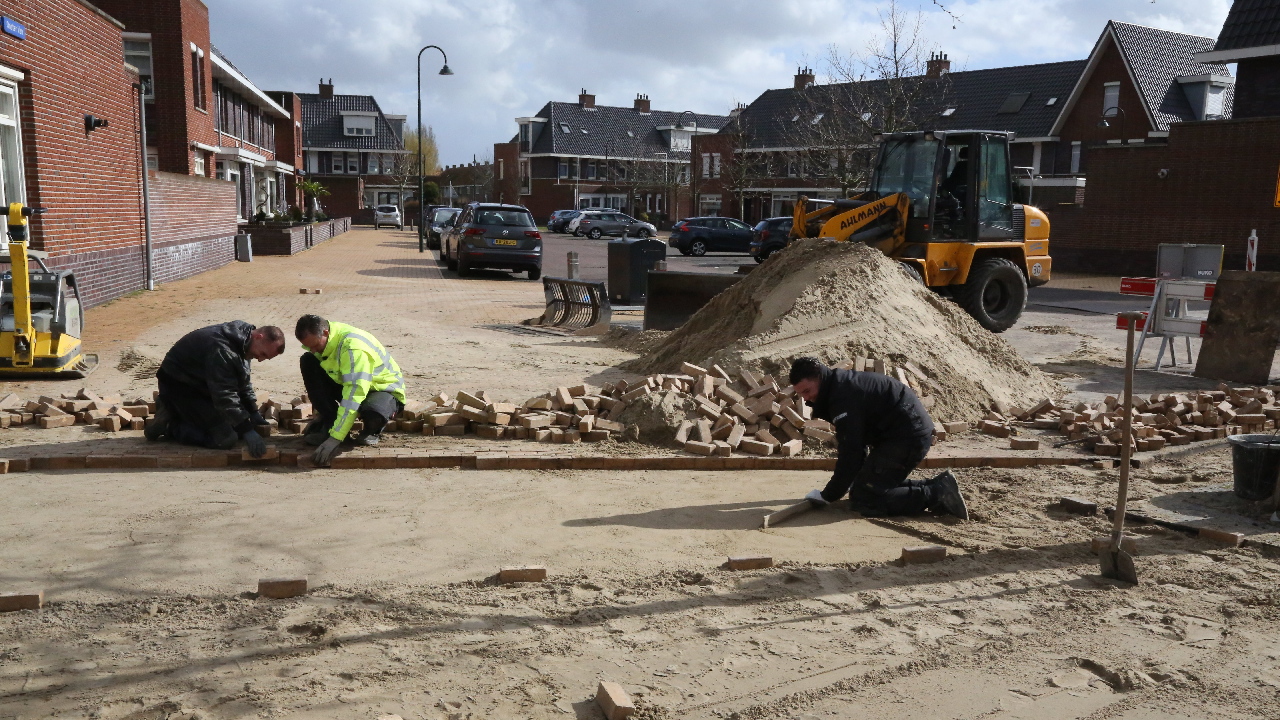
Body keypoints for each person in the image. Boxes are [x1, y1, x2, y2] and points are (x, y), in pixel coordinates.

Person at [789, 357, 967, 519]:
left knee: (865, 498)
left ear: (820, 377)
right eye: (801, 394)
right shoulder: (838, 385)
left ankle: (936, 494)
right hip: (901, 433)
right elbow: (857, 445)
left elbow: (852, 452)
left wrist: (828, 495)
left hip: (907, 437)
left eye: (807, 391)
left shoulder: (842, 396)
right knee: (865, 484)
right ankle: (938, 485)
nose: (806, 399)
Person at [146, 321, 286, 457]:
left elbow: (242, 380)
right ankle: (170, 424)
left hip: (202, 384)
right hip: (179, 386)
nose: (260, 359)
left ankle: (176, 412)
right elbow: (224, 395)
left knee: (237, 426)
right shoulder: (222, 349)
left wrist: (253, 411)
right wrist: (247, 429)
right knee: (225, 438)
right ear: (258, 336)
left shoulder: (245, 340)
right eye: (263, 354)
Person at [294, 314, 406, 466]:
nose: (313, 350)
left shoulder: (353, 347)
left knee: (373, 412)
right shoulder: (324, 343)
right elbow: (325, 379)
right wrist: (321, 414)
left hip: (382, 389)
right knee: (308, 361)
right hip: (353, 382)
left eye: (315, 345)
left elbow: (354, 393)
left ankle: (372, 430)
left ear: (325, 333)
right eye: (309, 347)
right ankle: (330, 424)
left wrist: (335, 439)